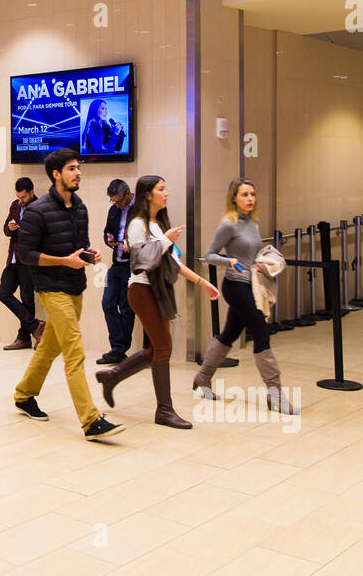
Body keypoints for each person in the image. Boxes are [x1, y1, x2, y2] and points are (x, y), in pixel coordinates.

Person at [12, 148, 123, 441]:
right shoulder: (37, 211)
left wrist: (90, 254)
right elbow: (26, 255)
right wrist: (64, 261)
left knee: (50, 346)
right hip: (51, 288)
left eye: (79, 168)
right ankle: (90, 420)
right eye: (72, 168)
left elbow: (79, 246)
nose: (78, 173)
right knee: (74, 351)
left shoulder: (81, 207)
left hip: (75, 286)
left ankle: (24, 394)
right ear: (56, 174)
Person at [95, 175, 221, 429]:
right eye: (161, 189)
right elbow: (142, 260)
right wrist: (166, 240)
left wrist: (202, 282)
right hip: (141, 290)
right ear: (147, 194)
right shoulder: (137, 224)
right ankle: (164, 410)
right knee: (163, 347)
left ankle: (112, 376)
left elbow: (172, 263)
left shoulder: (155, 225)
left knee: (157, 349)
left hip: (156, 291)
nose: (166, 193)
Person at [195, 178, 298, 415]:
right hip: (234, 285)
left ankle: (202, 378)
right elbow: (209, 254)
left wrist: (261, 264)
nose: (250, 199)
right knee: (261, 333)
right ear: (234, 198)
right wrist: (229, 261)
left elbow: (250, 253)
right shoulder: (228, 225)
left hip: (250, 285)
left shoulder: (254, 221)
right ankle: (276, 395)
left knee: (229, 333)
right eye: (244, 194)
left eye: (252, 194)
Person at [0, 177, 45, 350]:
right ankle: (35, 326)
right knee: (3, 293)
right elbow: (5, 229)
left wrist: (22, 227)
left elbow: (42, 235)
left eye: (23, 197)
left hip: (28, 260)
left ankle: (24, 338)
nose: (21, 200)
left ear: (31, 193)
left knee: (27, 299)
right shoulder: (15, 205)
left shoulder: (40, 207)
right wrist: (9, 227)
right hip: (13, 258)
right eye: (18, 196)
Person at [95, 179, 137, 365]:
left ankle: (118, 349)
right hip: (116, 263)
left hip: (133, 265)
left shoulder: (140, 210)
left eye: (119, 200)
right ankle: (119, 347)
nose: (117, 204)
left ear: (128, 193)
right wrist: (108, 239)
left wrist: (132, 243)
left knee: (127, 307)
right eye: (114, 201)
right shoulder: (113, 210)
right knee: (107, 303)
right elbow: (107, 232)